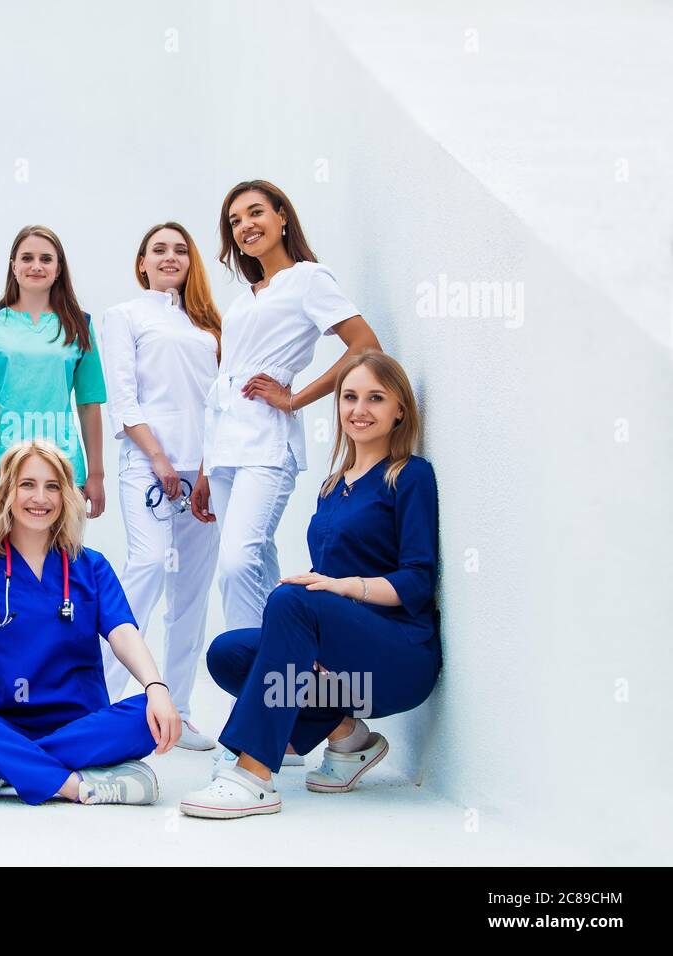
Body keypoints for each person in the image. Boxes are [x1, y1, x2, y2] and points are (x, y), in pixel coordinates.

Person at [179, 351, 441, 819]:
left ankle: (253, 774)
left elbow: (418, 582)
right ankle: (347, 735)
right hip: (346, 669)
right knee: (229, 654)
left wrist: (345, 588)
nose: (359, 409)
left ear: (399, 409)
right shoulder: (332, 484)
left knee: (292, 600)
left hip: (399, 656)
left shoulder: (410, 475)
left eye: (375, 398)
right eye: (350, 397)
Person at [190, 179, 382, 769]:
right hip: (224, 447)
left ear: (281, 217)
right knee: (256, 569)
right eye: (235, 220)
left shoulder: (308, 279)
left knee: (239, 560)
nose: (246, 226)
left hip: (267, 446)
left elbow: (363, 345)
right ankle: (305, 723)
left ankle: (257, 720)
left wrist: (296, 398)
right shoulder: (248, 296)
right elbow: (224, 384)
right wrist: (202, 467)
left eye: (256, 213)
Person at [0, 439, 180, 805]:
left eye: (52, 487)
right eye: (27, 485)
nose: (40, 498)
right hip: (3, 721)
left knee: (148, 717)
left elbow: (123, 633)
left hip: (83, 725)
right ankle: (70, 783)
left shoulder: (91, 565)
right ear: (6, 492)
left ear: (66, 496)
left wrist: (156, 687)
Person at [99, 221, 222, 751]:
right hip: (148, 467)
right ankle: (99, 697)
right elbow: (123, 400)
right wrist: (160, 460)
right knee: (147, 565)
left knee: (192, 590)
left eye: (180, 249)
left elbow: (222, 406)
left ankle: (179, 707)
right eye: (159, 250)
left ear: (191, 261)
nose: (170, 257)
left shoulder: (210, 326)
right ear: (142, 262)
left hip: (206, 476)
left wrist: (209, 472)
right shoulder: (124, 316)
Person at [0, 225, 106, 527]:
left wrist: (96, 474)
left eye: (46, 259)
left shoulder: (80, 324)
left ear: (58, 269)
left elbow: (89, 405)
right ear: (14, 266)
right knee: (2, 565)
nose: (36, 266)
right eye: (27, 258)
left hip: (63, 467)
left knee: (60, 566)